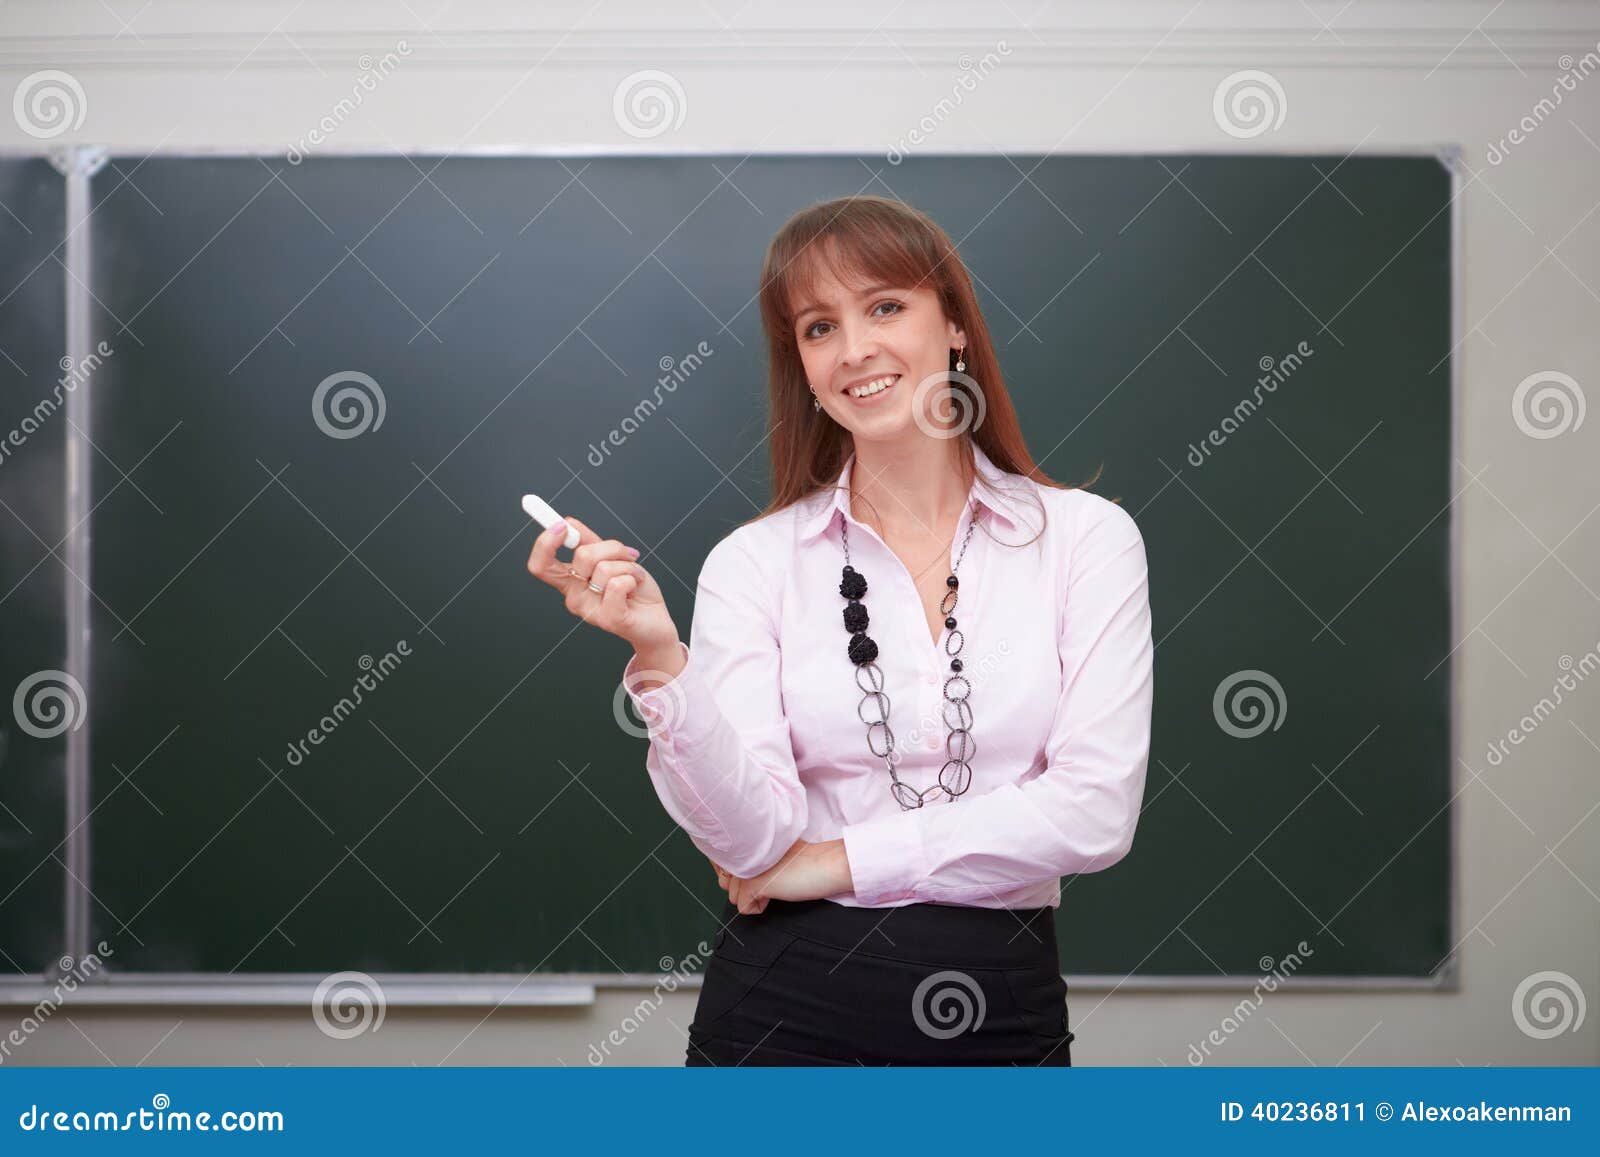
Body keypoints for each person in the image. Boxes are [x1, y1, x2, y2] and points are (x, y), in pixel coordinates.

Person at [525, 194, 1153, 1066]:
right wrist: (661, 657)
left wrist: (834, 862)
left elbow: (1094, 812)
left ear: (956, 326)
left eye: (886, 307)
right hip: (783, 1002)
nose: (855, 349)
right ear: (805, 368)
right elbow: (752, 844)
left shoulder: (1085, 538)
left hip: (1000, 1004)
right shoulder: (753, 562)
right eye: (819, 328)